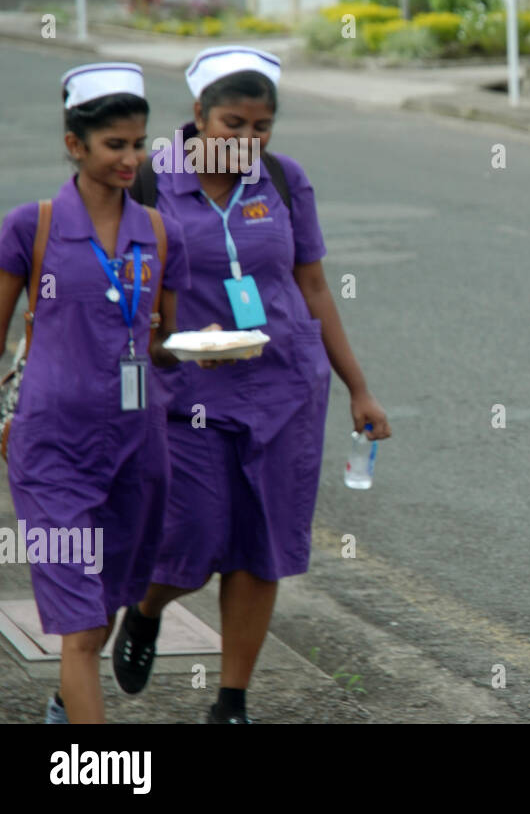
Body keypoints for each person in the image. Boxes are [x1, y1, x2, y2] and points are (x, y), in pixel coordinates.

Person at [112, 45, 392, 724]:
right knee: (191, 541)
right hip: (186, 394)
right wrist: (144, 373)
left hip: (285, 388)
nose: (247, 141)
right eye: (233, 124)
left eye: (261, 127)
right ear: (199, 117)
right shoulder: (148, 184)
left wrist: (358, 387)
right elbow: (121, 298)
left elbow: (314, 287)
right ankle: (147, 610)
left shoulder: (284, 181)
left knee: (262, 548)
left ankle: (231, 701)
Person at [0, 63, 189, 724]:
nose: (130, 159)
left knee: (107, 601)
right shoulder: (33, 227)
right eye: (115, 145)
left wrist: (210, 346)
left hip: (138, 450)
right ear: (74, 144)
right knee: (80, 631)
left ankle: (63, 706)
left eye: (138, 144)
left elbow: (161, 338)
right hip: (53, 451)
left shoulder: (162, 234)